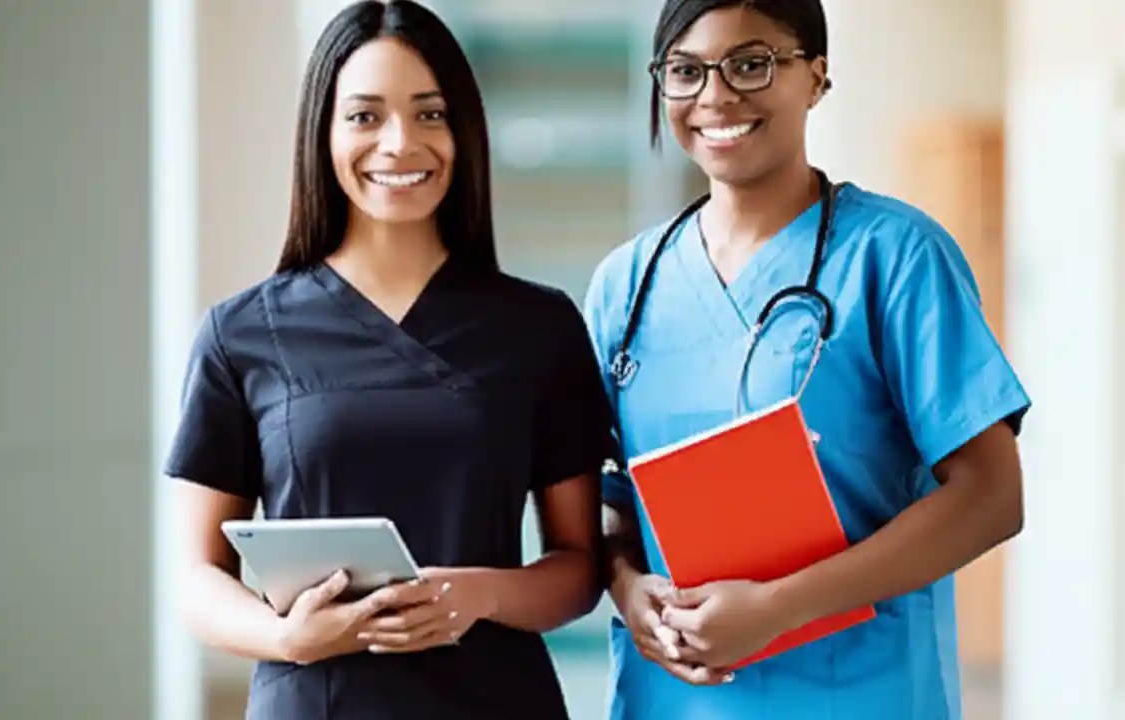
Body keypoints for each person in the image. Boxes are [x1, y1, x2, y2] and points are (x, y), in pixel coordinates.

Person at [163, 2, 614, 717]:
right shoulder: (241, 332)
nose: (401, 143)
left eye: (429, 114)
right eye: (366, 116)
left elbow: (579, 567)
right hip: (316, 699)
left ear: (464, 131)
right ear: (323, 133)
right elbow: (195, 578)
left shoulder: (540, 327)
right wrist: (290, 638)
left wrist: (481, 593)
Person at [585, 1, 1031, 718]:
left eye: (752, 63)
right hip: (674, 698)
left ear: (816, 77)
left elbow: (990, 496)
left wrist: (780, 608)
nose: (716, 95)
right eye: (686, 71)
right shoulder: (625, 286)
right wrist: (626, 588)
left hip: (861, 693)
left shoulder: (895, 256)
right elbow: (603, 502)